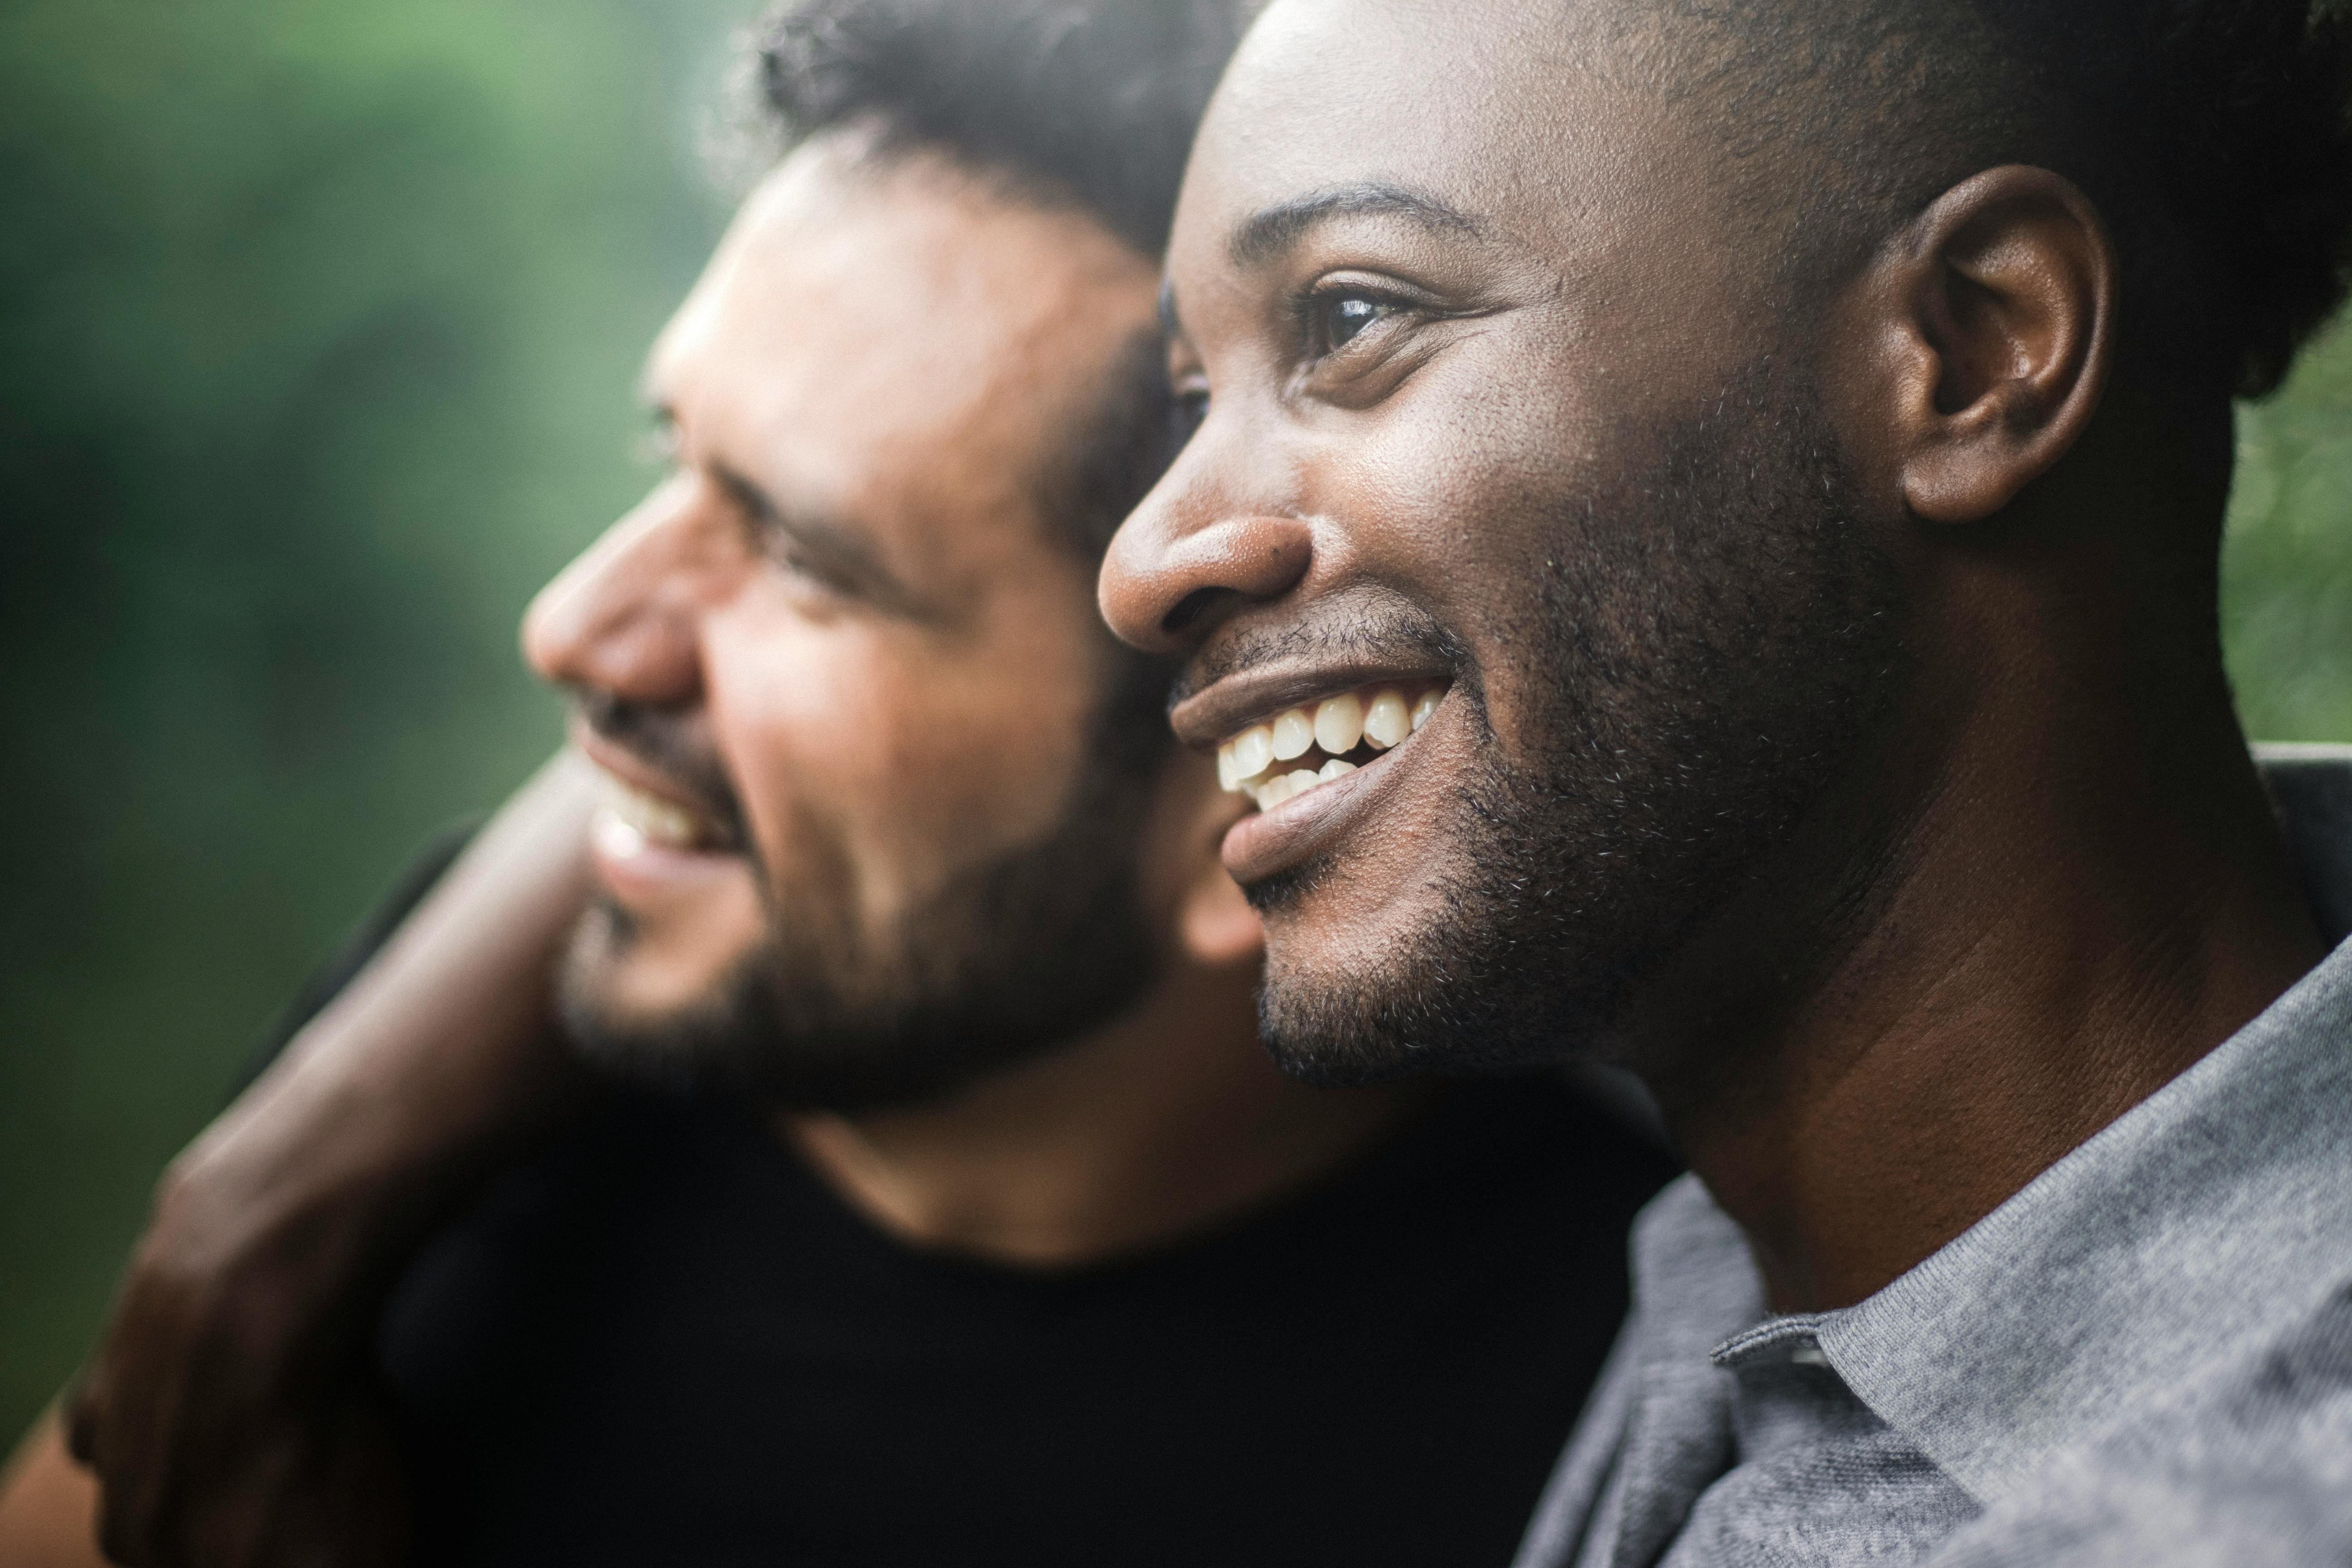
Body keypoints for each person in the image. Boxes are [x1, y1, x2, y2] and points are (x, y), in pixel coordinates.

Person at [0, 2, 1679, 1565]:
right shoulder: (495, 1090)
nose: (575, 626)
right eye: (674, 459)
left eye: (804, 558)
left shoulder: (1611, 1407)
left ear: (1221, 791)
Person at [1097, 0, 2352, 1562]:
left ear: (1970, 351)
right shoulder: (1760, 1260)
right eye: (1189, 398)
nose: (1142, 563)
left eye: (1349, 323)